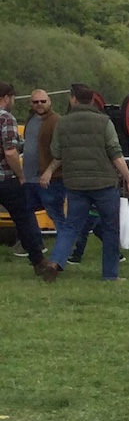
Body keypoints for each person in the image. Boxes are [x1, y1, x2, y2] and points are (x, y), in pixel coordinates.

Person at [42, 83, 129, 281]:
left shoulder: (63, 123)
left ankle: (55, 262)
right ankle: (110, 275)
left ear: (73, 99)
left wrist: (49, 171)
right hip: (103, 184)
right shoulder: (104, 122)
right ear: (93, 100)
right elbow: (115, 153)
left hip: (75, 184)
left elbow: (57, 153)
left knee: (71, 227)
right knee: (111, 229)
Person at [0, 83, 56, 281]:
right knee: (24, 217)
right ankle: (38, 260)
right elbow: (10, 151)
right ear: (7, 97)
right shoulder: (5, 117)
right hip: (5, 178)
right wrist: (21, 175)